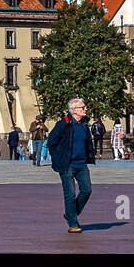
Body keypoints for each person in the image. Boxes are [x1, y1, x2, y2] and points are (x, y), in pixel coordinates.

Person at [46, 97, 95, 233]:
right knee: (70, 194)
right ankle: (73, 224)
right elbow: (51, 142)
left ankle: (71, 213)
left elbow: (87, 144)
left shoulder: (84, 125)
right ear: (74, 110)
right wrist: (58, 158)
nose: (85, 109)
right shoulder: (63, 124)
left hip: (81, 164)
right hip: (67, 165)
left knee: (87, 190)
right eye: (82, 107)